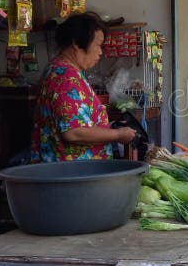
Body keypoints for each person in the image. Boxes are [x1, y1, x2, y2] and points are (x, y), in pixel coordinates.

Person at [31, 12, 136, 162]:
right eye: (98, 45)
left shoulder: (65, 70)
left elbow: (77, 121)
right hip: (70, 176)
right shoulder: (65, 77)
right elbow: (73, 132)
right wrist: (117, 135)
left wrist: (107, 127)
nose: (100, 52)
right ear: (76, 43)